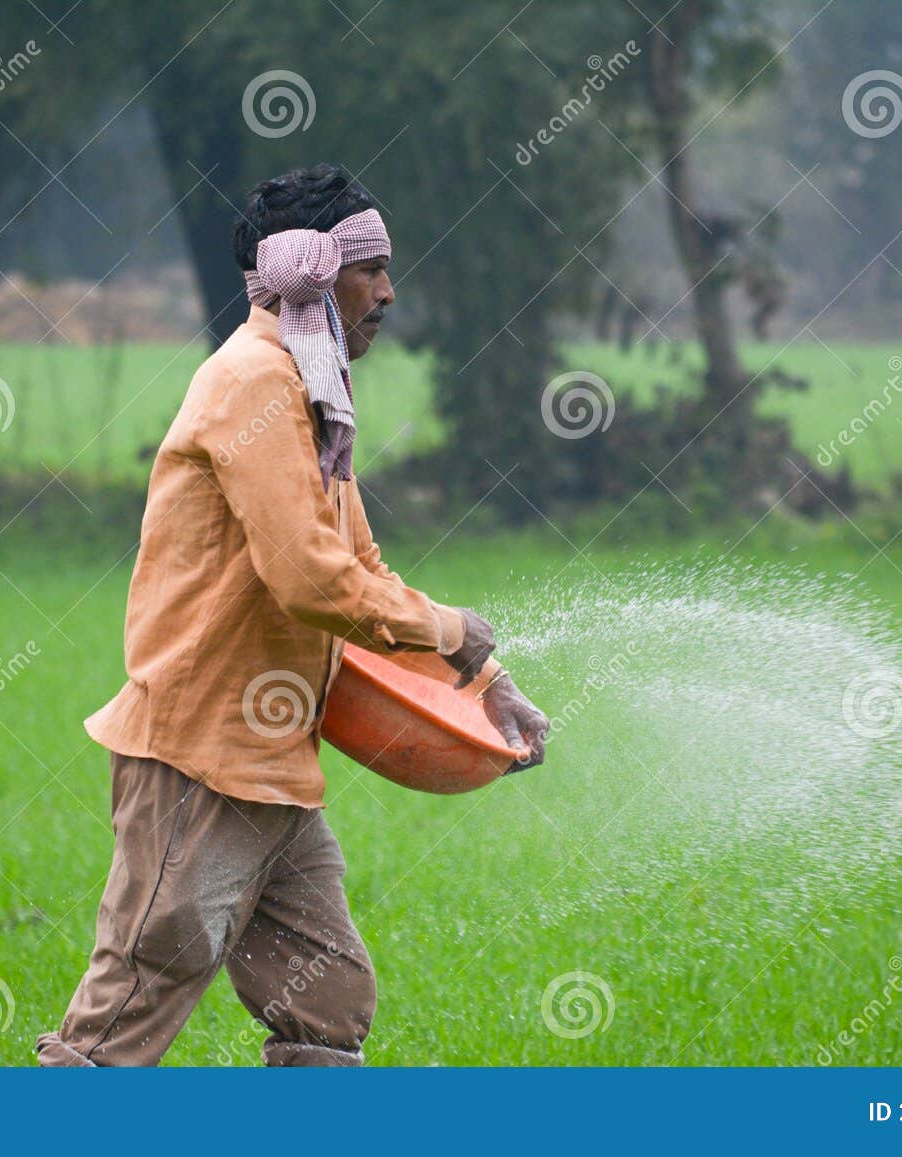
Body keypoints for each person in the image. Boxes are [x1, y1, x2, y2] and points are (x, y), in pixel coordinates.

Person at [35, 163, 550, 1068]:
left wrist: (485, 681)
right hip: (200, 759)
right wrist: (449, 629)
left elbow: (361, 568)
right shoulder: (254, 384)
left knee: (330, 1000)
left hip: (273, 766)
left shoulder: (312, 389)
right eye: (371, 268)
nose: (388, 291)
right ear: (312, 274)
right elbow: (311, 580)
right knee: (125, 1017)